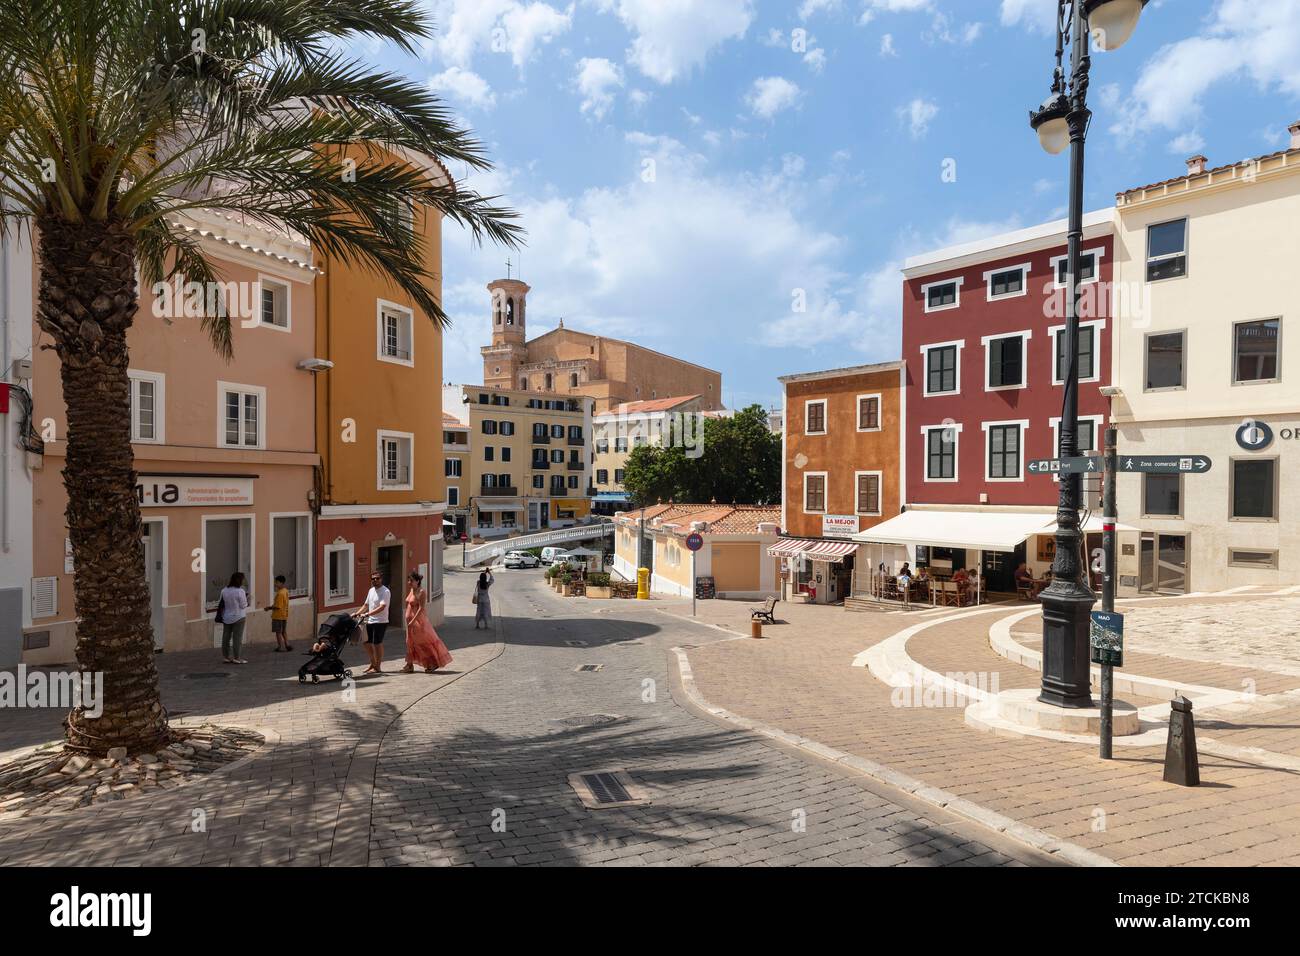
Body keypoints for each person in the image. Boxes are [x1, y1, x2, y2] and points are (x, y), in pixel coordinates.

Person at [400, 572, 454, 673]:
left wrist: (413, 621)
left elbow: (421, 608)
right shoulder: (412, 590)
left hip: (418, 622)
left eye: (411, 580)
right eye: (408, 580)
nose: (409, 582)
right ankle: (409, 664)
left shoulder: (422, 592)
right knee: (409, 642)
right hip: (410, 622)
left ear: (417, 581)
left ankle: (433, 663)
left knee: (423, 642)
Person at [353, 572, 391, 674]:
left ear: (381, 579)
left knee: (377, 643)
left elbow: (382, 607)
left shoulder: (385, 591)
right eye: (373, 579)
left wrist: (367, 614)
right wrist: (357, 613)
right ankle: (372, 663)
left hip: (381, 621)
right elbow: (366, 605)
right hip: (370, 621)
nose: (375, 580)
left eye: (377, 578)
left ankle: (378, 666)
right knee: (366, 642)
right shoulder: (371, 590)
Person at [218, 572, 249, 664]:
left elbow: (222, 602)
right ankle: (237, 657)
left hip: (226, 616)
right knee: (237, 638)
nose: (244, 580)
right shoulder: (240, 591)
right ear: (239, 580)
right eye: (243, 579)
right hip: (239, 617)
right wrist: (247, 600)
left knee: (226, 637)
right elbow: (243, 605)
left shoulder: (224, 590)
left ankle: (226, 657)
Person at [265, 574, 293, 652]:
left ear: (281, 583)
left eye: (277, 582)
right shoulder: (285, 591)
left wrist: (268, 608)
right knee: (284, 631)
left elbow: (278, 606)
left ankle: (280, 646)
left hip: (278, 616)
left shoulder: (280, 593)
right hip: (284, 615)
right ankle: (287, 644)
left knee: (278, 632)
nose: (275, 584)